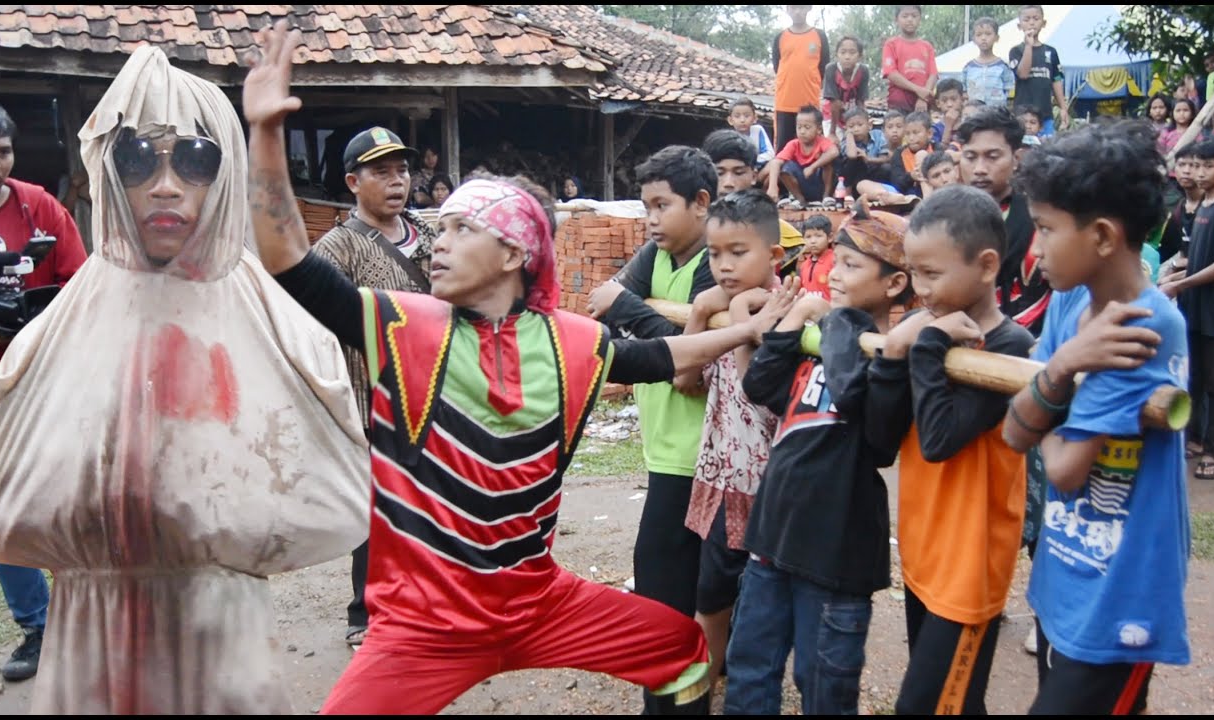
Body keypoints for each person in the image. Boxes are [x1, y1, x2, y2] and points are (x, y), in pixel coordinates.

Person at [245, 24, 800, 714]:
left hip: (540, 605)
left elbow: (658, 357)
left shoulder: (570, 342)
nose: (438, 244)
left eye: (459, 230)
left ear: (513, 256)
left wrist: (745, 328)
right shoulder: (401, 325)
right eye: (438, 228)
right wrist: (265, 134)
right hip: (424, 629)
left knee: (680, 649)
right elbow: (288, 264)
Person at [0, 43, 372, 714]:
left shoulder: (260, 312)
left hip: (218, 621)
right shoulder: (72, 319)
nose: (165, 184)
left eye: (195, 159)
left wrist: (264, 136)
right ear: (109, 173)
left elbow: (331, 471)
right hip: (91, 626)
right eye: (139, 159)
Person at [1004, 118, 1190, 715]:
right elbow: (1014, 431)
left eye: (1045, 230)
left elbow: (1060, 466)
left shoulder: (1140, 326)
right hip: (1067, 570)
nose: (1033, 250)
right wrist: (1064, 367)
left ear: (1104, 236)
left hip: (1120, 599)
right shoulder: (1070, 300)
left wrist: (1055, 376)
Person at [726, 204, 912, 715]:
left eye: (852, 266)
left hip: (835, 556)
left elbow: (878, 439)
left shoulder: (889, 359)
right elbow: (759, 384)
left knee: (823, 682)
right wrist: (794, 322)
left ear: (894, 284)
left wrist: (839, 326)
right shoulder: (816, 341)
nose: (834, 273)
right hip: (772, 539)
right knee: (749, 668)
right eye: (838, 260)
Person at [867, 184, 1034, 714]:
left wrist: (930, 345)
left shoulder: (1008, 350)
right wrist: (896, 354)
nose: (920, 289)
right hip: (924, 549)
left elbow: (939, 440)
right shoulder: (924, 331)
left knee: (928, 707)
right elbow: (878, 443)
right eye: (913, 273)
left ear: (987, 266)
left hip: (968, 565)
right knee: (954, 704)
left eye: (932, 274)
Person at [584, 144, 717, 715]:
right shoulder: (655, 255)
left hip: (697, 459)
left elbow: (690, 372)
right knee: (671, 603)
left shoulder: (717, 263)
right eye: (646, 207)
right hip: (666, 453)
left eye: (663, 205)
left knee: (669, 603)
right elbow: (601, 304)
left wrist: (634, 317)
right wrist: (654, 325)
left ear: (702, 203)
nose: (652, 219)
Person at [309, 125, 435, 649]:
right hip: (372, 396)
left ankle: (428, 601)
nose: (396, 181)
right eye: (381, 172)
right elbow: (316, 324)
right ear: (352, 182)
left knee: (432, 502)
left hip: (435, 391)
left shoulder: (432, 234)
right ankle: (367, 609)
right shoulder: (335, 249)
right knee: (378, 511)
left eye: (402, 170)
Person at [673, 188, 786, 693]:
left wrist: (743, 320)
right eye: (715, 253)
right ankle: (701, 693)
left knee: (766, 607)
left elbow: (762, 398)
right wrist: (701, 314)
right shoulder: (719, 307)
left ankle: (749, 693)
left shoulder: (792, 316)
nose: (723, 265)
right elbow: (684, 382)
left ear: (774, 255)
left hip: (770, 492)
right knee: (712, 595)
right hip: (721, 480)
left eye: (738, 253)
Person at [0, 102, 87, 684]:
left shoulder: (39, 206)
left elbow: (79, 286)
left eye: (1, 153)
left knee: (66, 502)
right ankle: (38, 625)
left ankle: (91, 616)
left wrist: (34, 319)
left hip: (39, 380)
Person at [1158, 136, 1214, 481]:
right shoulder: (1201, 207)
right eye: (1199, 165)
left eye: (1210, 166)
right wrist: (1173, 272)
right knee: (1192, 376)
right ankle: (1193, 438)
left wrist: (1180, 284)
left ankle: (1212, 451)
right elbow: (1199, 257)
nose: (1203, 172)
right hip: (1193, 306)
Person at [958, 105, 1050, 335]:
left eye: (992, 156)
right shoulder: (945, 218)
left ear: (1016, 158)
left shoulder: (1038, 220)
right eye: (970, 157)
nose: (979, 169)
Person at [701, 129, 805, 275]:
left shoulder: (784, 236)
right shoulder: (690, 230)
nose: (728, 183)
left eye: (738, 173)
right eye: (720, 173)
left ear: (754, 176)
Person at [772, 5, 830, 153]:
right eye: (793, 8)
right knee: (783, 151)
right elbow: (777, 67)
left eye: (802, 7)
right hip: (784, 103)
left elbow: (824, 67)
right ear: (787, 9)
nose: (797, 11)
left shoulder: (819, 36)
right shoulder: (780, 37)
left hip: (810, 104)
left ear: (809, 8)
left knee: (811, 150)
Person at [1010, 5, 1068, 136]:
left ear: (1044, 23)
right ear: (1019, 26)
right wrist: (1028, 45)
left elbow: (1056, 80)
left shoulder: (1050, 51)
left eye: (1036, 18)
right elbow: (1023, 74)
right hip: (1022, 116)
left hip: (1045, 114)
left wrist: (1063, 107)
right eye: (1027, 19)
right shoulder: (1016, 51)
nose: (1031, 22)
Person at [767, 105, 839, 209]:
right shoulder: (793, 144)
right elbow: (775, 162)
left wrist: (812, 167)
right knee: (784, 167)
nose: (802, 131)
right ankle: (799, 199)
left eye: (807, 127)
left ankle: (826, 197)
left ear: (818, 129)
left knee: (828, 162)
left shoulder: (822, 141)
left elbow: (833, 152)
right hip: (802, 184)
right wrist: (773, 187)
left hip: (819, 183)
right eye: (799, 127)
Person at [882, 5, 938, 114]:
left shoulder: (927, 46)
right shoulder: (891, 44)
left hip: (922, 104)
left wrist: (923, 98)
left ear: (920, 19)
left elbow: (933, 74)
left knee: (921, 130)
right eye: (905, 16)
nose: (910, 19)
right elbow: (891, 73)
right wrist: (918, 90)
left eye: (914, 16)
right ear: (896, 19)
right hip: (899, 103)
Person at [821, 35, 870, 141]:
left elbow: (861, 102)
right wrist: (832, 133)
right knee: (834, 145)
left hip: (852, 116)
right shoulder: (831, 69)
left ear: (860, 55)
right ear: (837, 54)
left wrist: (862, 124)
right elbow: (835, 104)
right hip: (831, 117)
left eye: (852, 53)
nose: (847, 57)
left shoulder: (863, 71)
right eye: (843, 52)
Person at [963, 17, 1014, 108]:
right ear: (974, 39)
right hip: (975, 114)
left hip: (997, 114)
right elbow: (964, 92)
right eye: (979, 35)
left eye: (988, 34)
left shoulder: (1002, 66)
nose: (983, 38)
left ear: (996, 38)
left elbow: (1008, 90)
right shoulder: (969, 67)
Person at [727, 97, 776, 185]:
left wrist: (752, 161)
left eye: (747, 116)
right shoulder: (729, 137)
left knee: (774, 164)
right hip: (740, 173)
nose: (742, 120)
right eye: (737, 116)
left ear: (755, 118)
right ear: (730, 120)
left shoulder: (758, 130)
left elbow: (770, 154)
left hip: (759, 171)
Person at [888, 111, 937, 196]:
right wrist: (911, 176)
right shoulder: (899, 153)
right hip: (909, 195)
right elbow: (896, 183)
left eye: (916, 133)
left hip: (934, 190)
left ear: (929, 133)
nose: (911, 138)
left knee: (921, 155)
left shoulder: (937, 149)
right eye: (907, 134)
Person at [796, 213, 834, 299]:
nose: (813, 241)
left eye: (818, 236)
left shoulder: (835, 261)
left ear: (830, 237)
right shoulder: (804, 265)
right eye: (808, 237)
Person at [931, 78, 967, 148]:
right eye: (944, 100)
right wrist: (948, 127)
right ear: (938, 103)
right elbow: (938, 154)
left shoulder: (969, 125)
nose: (949, 104)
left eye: (953, 99)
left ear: (962, 100)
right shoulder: (935, 129)